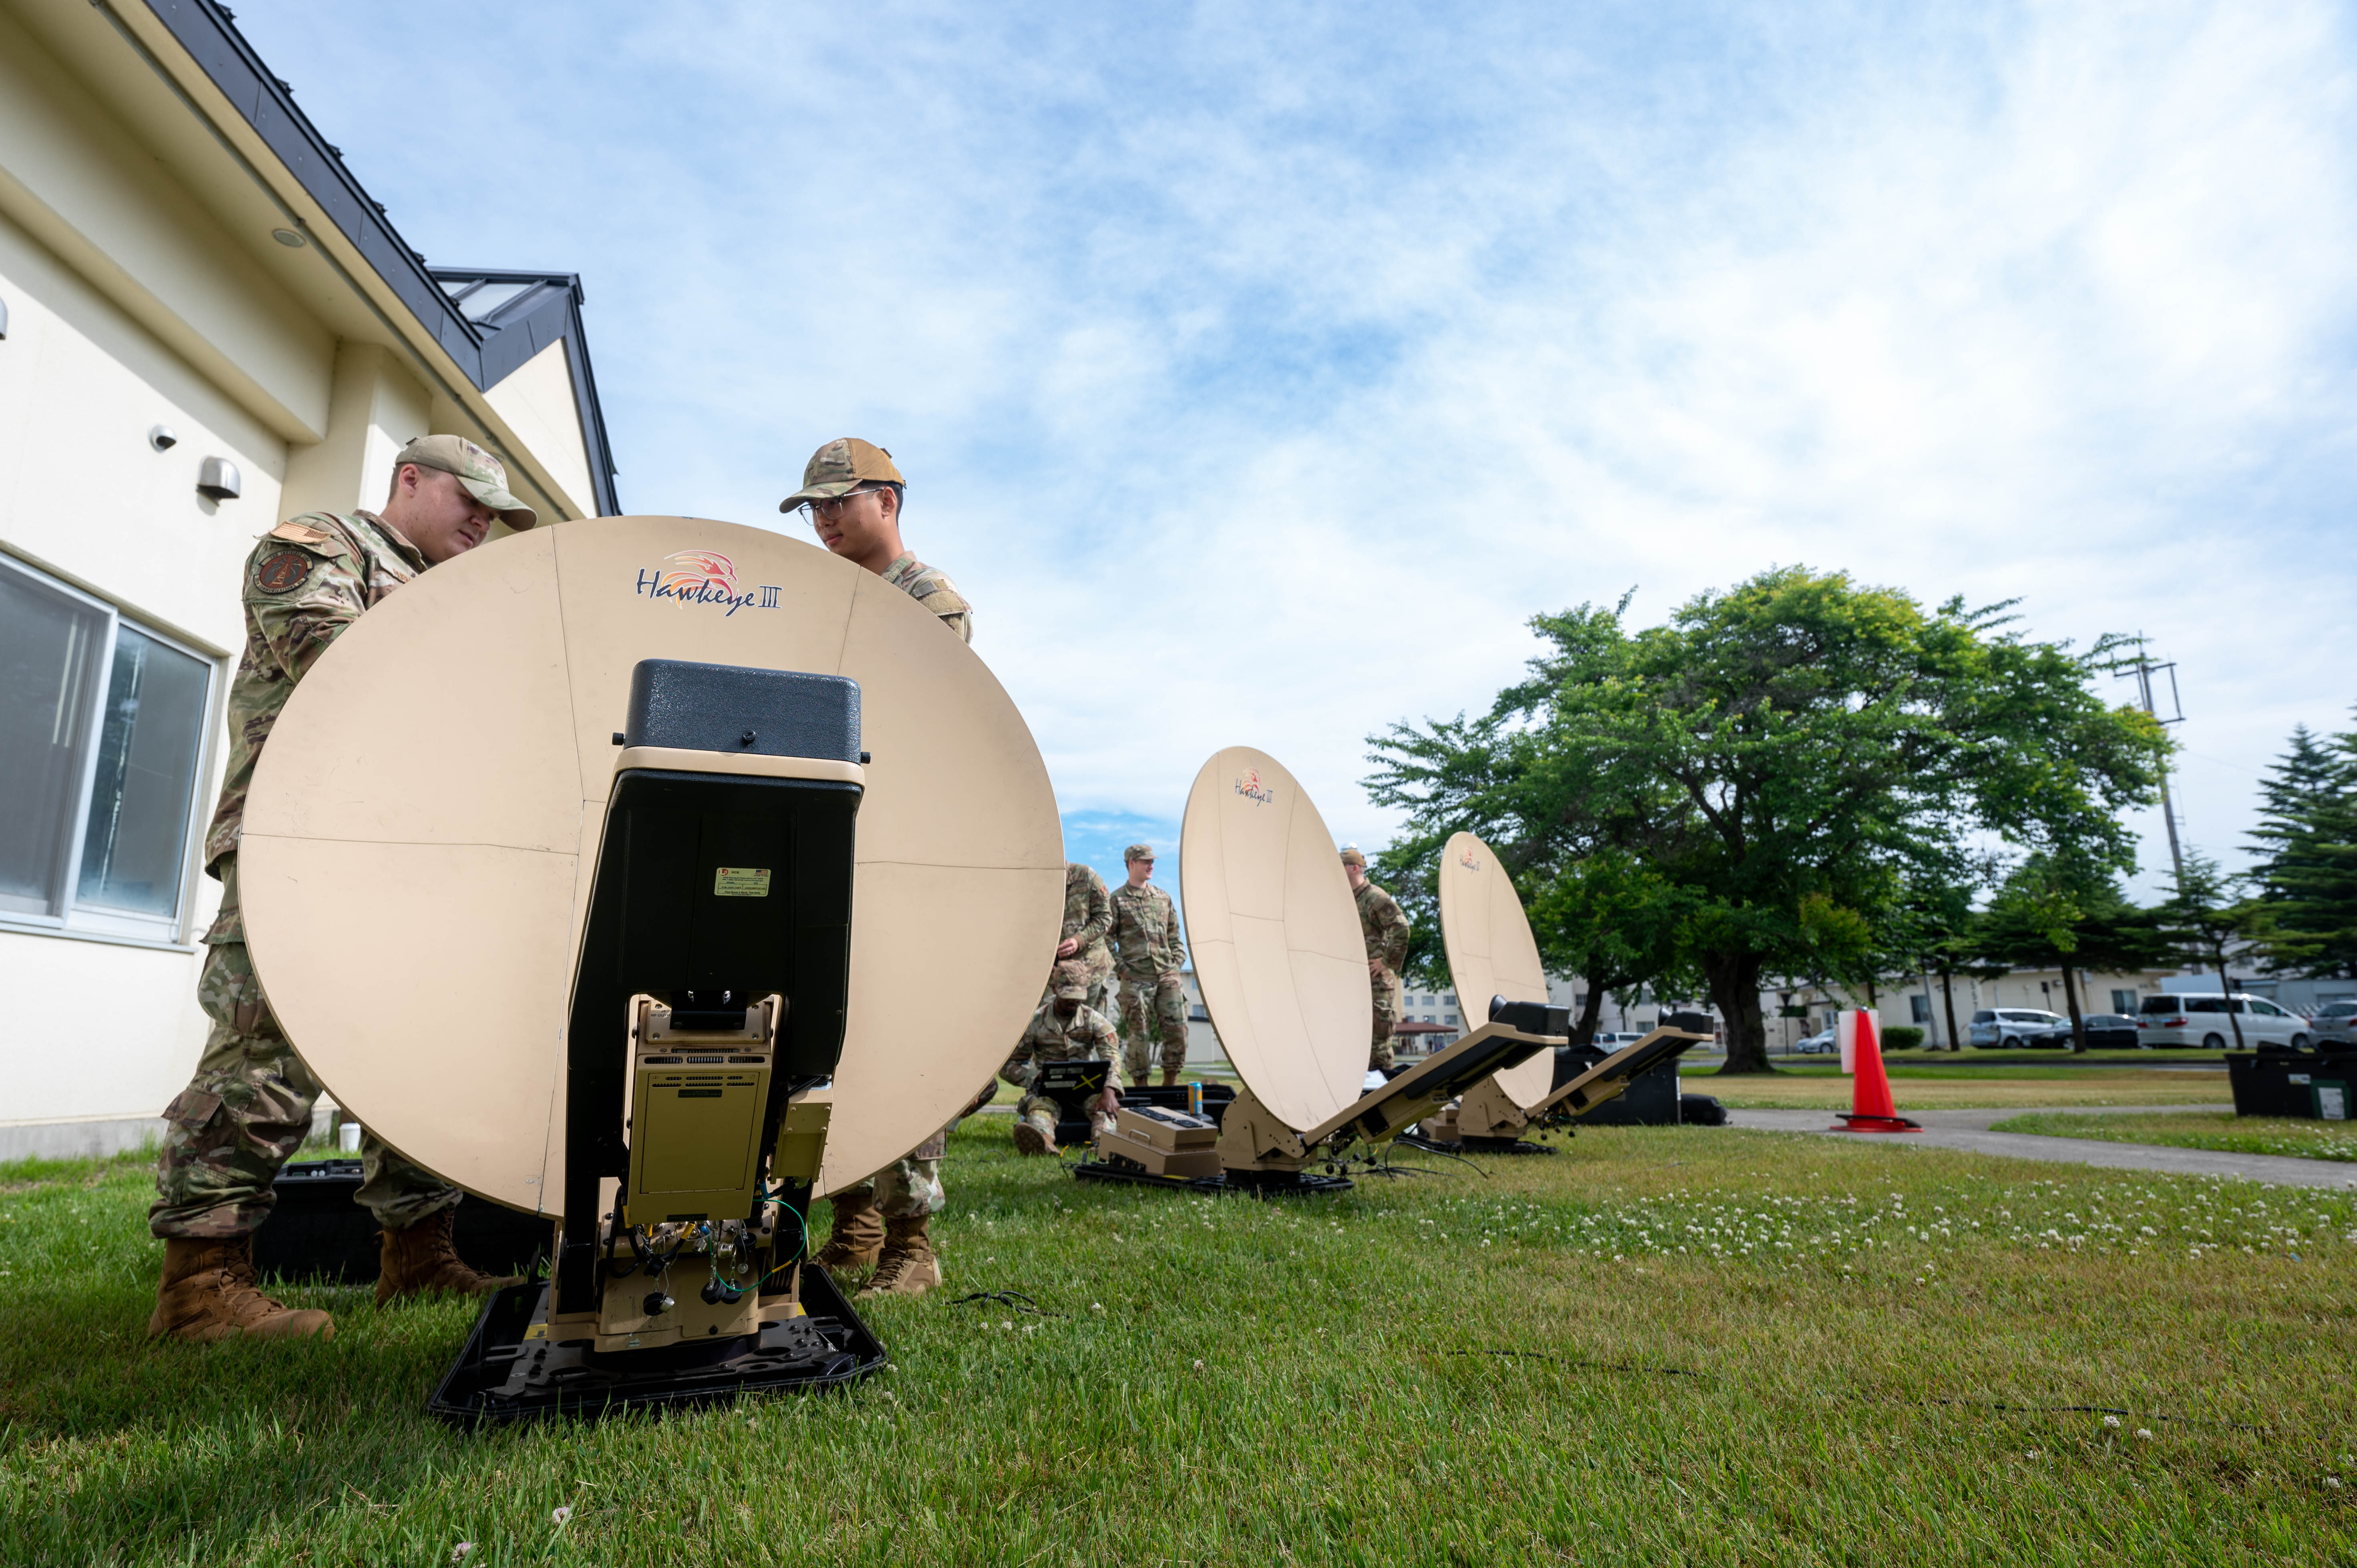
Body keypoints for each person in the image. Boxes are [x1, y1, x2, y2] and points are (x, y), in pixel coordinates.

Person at [148, 436, 535, 1343]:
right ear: (409, 479)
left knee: (420, 1057)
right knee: (264, 1053)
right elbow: (347, 666)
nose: (483, 520)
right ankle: (200, 1283)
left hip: (417, 860)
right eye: (468, 498)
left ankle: (418, 1254)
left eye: (496, 511)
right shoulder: (321, 546)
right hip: (299, 841)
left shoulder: (458, 595)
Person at [782, 437, 970, 1298]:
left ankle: (912, 1240)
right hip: (821, 843)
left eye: (836, 502)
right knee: (822, 1039)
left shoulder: (925, 602)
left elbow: (910, 720)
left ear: (886, 501)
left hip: (892, 845)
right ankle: (852, 1225)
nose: (822, 519)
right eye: (811, 507)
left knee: (892, 1036)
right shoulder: (818, 603)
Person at [1006, 961, 1121, 1156]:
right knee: (1039, 1112)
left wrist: (1109, 1091)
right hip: (1047, 1094)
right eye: (1069, 997)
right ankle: (1043, 1143)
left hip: (1086, 1092)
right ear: (1054, 990)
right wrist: (1036, 1077)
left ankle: (1103, 1146)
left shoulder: (1094, 1020)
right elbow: (1008, 1065)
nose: (1074, 1002)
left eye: (1078, 997)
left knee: (1105, 1112)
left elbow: (1112, 1057)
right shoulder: (1035, 1022)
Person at [1109, 844, 1190, 1087]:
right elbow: (1106, 941)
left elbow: (1175, 935)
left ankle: (1170, 1085)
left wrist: (1176, 962)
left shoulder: (1163, 898)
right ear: (1131, 864)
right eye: (1145, 861)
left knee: (1178, 1031)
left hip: (1167, 976)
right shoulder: (1117, 900)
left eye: (1152, 861)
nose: (1151, 866)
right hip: (1136, 979)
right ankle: (1141, 1090)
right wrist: (1123, 970)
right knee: (1138, 1038)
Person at [1342, 846, 1410, 1073]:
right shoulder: (1344, 900)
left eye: (1341, 867)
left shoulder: (1375, 897)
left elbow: (1401, 927)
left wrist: (1387, 962)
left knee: (1377, 1045)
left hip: (1377, 983)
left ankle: (1381, 1094)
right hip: (1352, 982)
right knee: (1354, 1042)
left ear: (1354, 869)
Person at [1055, 861, 1115, 1014]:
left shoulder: (1086, 876)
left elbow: (1105, 918)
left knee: (1090, 1029)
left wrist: (1079, 940)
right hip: (1054, 978)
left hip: (1091, 971)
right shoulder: (1036, 882)